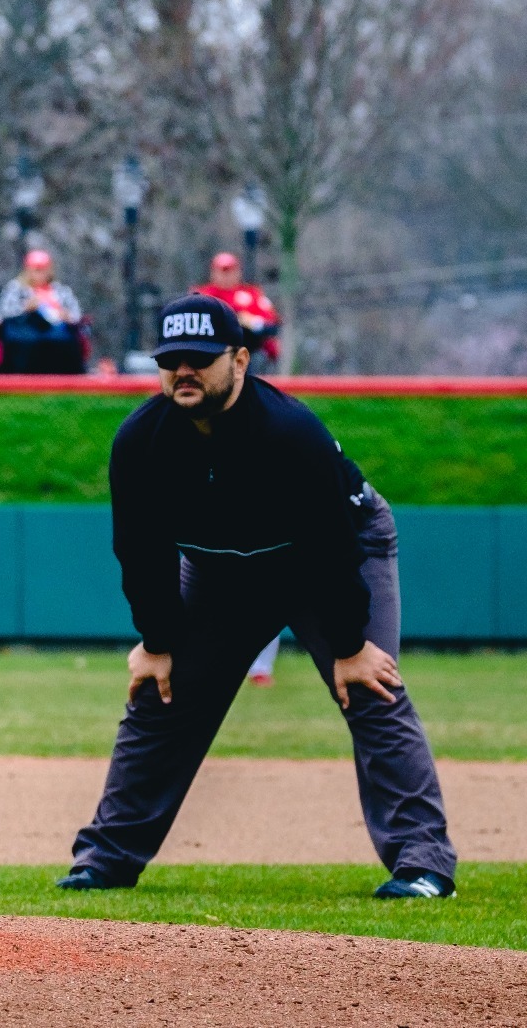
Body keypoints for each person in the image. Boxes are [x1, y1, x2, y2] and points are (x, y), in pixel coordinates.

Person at [57, 295, 457, 900]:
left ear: (241, 360)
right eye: (171, 359)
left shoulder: (289, 433)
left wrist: (350, 645)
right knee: (161, 696)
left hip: (329, 559)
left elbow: (333, 549)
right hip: (222, 571)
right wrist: (158, 642)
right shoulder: (140, 440)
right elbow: (141, 553)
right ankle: (105, 860)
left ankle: (423, 865)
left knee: (369, 686)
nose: (183, 371)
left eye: (200, 358)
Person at [0, 249, 89, 374]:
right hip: (23, 334)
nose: (40, 274)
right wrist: (25, 308)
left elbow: (76, 315)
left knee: (66, 342)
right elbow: (3, 313)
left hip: (57, 334)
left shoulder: (61, 291)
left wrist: (66, 316)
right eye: (36, 270)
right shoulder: (15, 289)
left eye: (43, 269)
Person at [194, 252, 281, 366]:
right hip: (212, 349)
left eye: (230, 271)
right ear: (213, 273)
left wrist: (250, 322)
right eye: (222, 271)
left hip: (249, 350)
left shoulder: (252, 294)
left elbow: (272, 325)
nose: (226, 276)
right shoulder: (202, 295)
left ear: (238, 272)